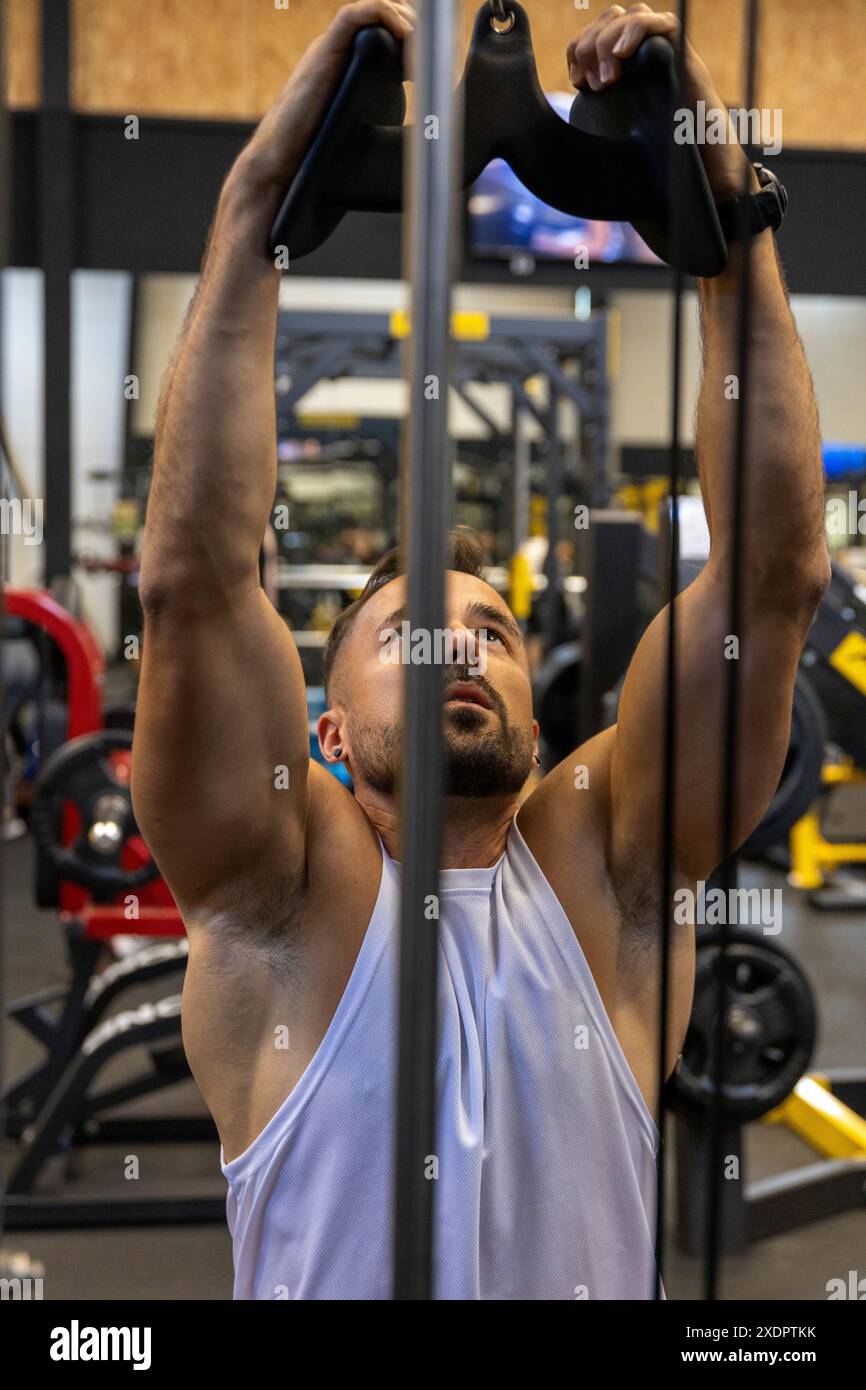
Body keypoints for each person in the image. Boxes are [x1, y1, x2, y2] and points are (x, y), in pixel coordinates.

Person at [132, 2, 830, 1299]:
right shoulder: (282, 896)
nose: (460, 641)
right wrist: (252, 214)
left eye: (494, 631)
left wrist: (735, 240)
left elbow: (769, 584)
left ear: (536, 712)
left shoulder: (607, 869)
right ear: (322, 737)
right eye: (410, 633)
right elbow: (192, 583)